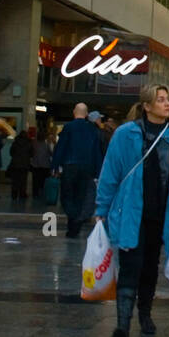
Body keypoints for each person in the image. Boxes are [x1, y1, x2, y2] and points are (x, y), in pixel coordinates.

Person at [94, 83, 169, 337]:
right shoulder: (126, 134)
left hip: (162, 214)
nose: (167, 103)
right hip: (130, 212)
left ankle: (145, 314)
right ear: (146, 106)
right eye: (160, 100)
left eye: (167, 99)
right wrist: (101, 209)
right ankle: (123, 324)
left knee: (150, 266)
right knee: (130, 264)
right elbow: (110, 172)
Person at [53, 102, 104, 238]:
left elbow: (61, 147)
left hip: (70, 166)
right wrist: (98, 171)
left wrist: (55, 166)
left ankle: (73, 220)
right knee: (82, 196)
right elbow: (96, 152)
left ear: (74, 112)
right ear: (87, 114)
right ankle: (77, 222)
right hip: (87, 168)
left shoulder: (68, 128)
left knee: (68, 195)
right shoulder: (92, 130)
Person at [8, 126, 32, 200]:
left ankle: (14, 194)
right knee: (23, 180)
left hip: (15, 164)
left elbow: (11, 152)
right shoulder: (28, 143)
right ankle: (22, 193)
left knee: (15, 180)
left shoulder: (15, 142)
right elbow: (32, 153)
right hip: (25, 164)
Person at [29, 126, 52, 199]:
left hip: (35, 165)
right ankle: (42, 193)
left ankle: (35, 193)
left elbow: (31, 153)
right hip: (45, 166)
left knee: (35, 181)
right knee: (43, 181)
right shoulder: (46, 144)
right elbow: (51, 153)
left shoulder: (34, 144)